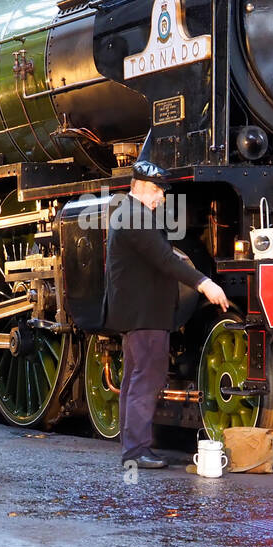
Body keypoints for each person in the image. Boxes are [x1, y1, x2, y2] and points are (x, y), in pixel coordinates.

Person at [104, 160, 231, 470]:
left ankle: (132, 446)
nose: (163, 198)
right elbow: (164, 259)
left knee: (136, 379)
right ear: (147, 188)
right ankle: (135, 451)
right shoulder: (135, 217)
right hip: (145, 314)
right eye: (161, 192)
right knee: (146, 379)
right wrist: (205, 283)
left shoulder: (129, 214)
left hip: (138, 313)